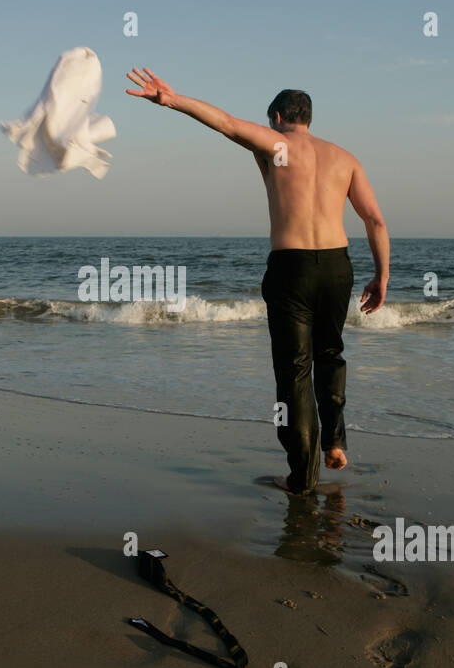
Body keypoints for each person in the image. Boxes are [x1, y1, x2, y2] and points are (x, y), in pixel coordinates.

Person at [126, 68, 389, 493]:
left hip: (292, 267)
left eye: (270, 122)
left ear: (280, 116)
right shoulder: (345, 158)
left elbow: (227, 123)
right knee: (330, 353)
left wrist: (173, 100)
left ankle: (301, 478)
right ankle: (336, 442)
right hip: (339, 266)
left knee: (294, 371)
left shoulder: (279, 145)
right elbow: (374, 220)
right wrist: (382, 275)